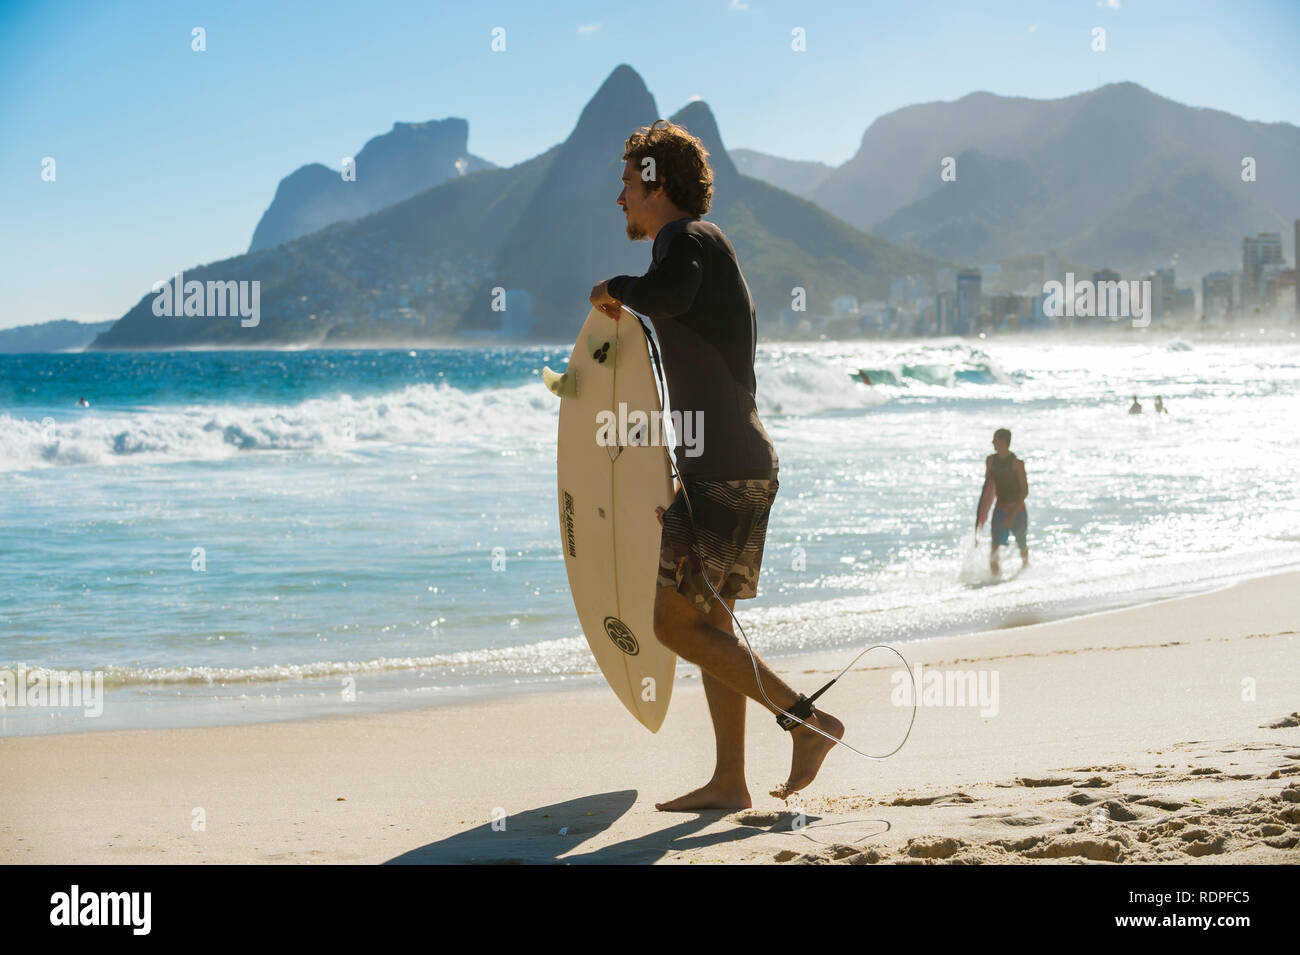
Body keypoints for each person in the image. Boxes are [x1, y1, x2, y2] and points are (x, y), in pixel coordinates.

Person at [589, 120, 843, 810]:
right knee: (710, 627)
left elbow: (667, 296)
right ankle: (731, 782)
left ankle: (807, 720)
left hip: (727, 467)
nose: (619, 199)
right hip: (725, 463)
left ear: (655, 183)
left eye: (626, 184)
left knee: (674, 624)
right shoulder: (698, 247)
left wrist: (614, 285)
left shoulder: (688, 241)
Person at [979, 428, 1028, 576]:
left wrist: (1012, 514)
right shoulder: (991, 461)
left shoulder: (1017, 464)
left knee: (1022, 545)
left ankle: (1025, 572)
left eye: (996, 439)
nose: (993, 442)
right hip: (1000, 508)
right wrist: (983, 513)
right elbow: (988, 488)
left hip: (1018, 510)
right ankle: (995, 580)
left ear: (1004, 442)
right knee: (994, 546)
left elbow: (1024, 491)